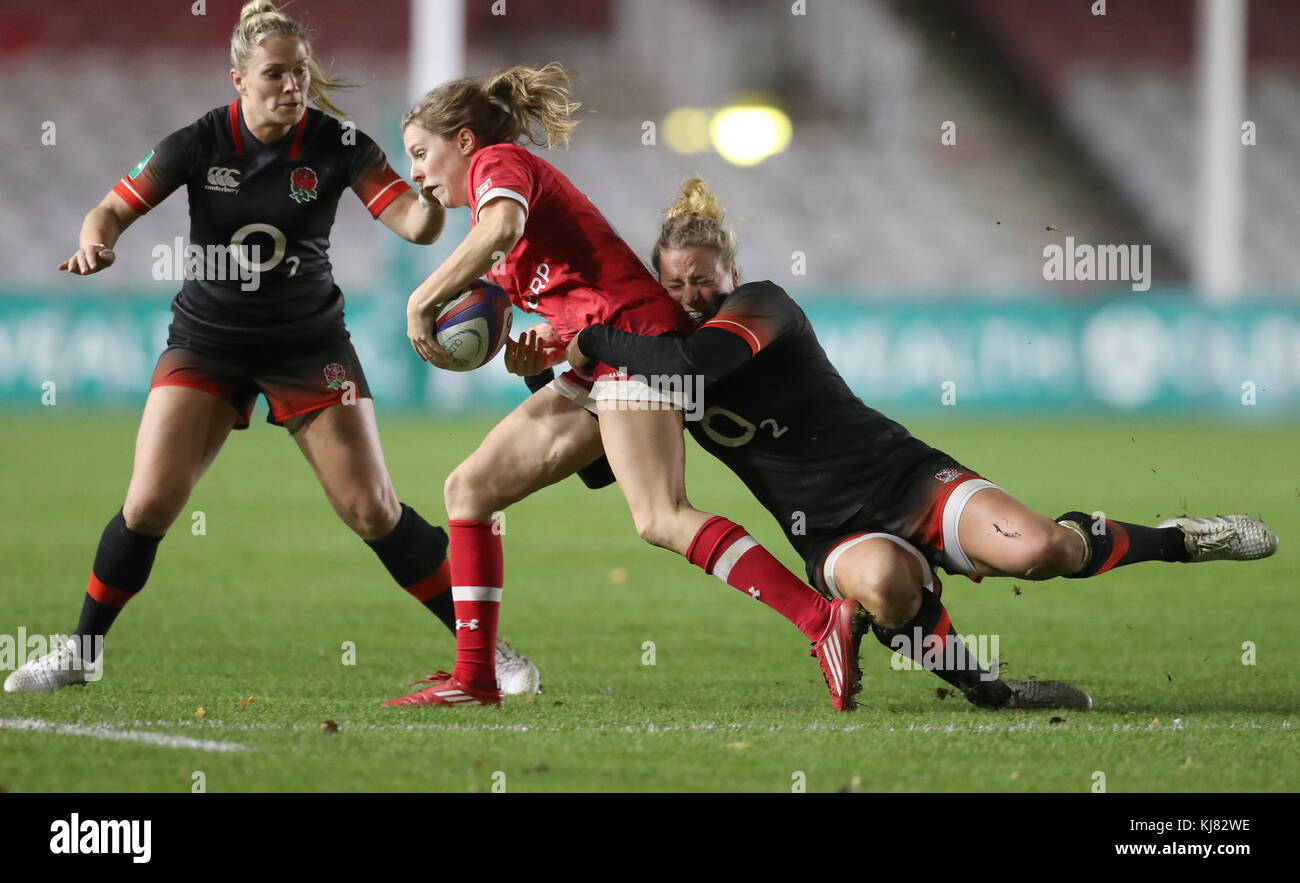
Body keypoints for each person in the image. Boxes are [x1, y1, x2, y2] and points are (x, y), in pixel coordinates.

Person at [564, 178, 1280, 709]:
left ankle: (1179, 538)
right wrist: (576, 380)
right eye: (675, 283)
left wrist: (590, 339)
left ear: (731, 271)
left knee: (1042, 550)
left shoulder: (761, 304)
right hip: (828, 531)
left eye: (703, 280)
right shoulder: (652, 358)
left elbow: (700, 366)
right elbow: (606, 471)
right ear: (659, 282)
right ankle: (992, 690)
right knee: (880, 586)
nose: (691, 295)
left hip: (906, 478)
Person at [5, 0, 539, 697]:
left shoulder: (338, 145)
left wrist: (439, 189)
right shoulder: (198, 142)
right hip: (207, 340)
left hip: (307, 342)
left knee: (373, 509)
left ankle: (489, 652)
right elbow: (110, 206)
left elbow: (415, 225)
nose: (292, 87)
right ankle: (80, 652)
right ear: (239, 79)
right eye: (275, 75)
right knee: (149, 504)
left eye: (300, 74)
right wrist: (96, 239)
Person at [387, 64, 867, 710]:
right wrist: (535, 348)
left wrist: (422, 299)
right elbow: (540, 300)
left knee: (662, 515)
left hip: (635, 342)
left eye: (420, 152)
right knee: (468, 489)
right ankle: (474, 678)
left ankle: (819, 617)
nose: (414, 171)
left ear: (465, 140)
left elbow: (501, 232)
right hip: (599, 359)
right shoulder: (488, 207)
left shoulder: (498, 165)